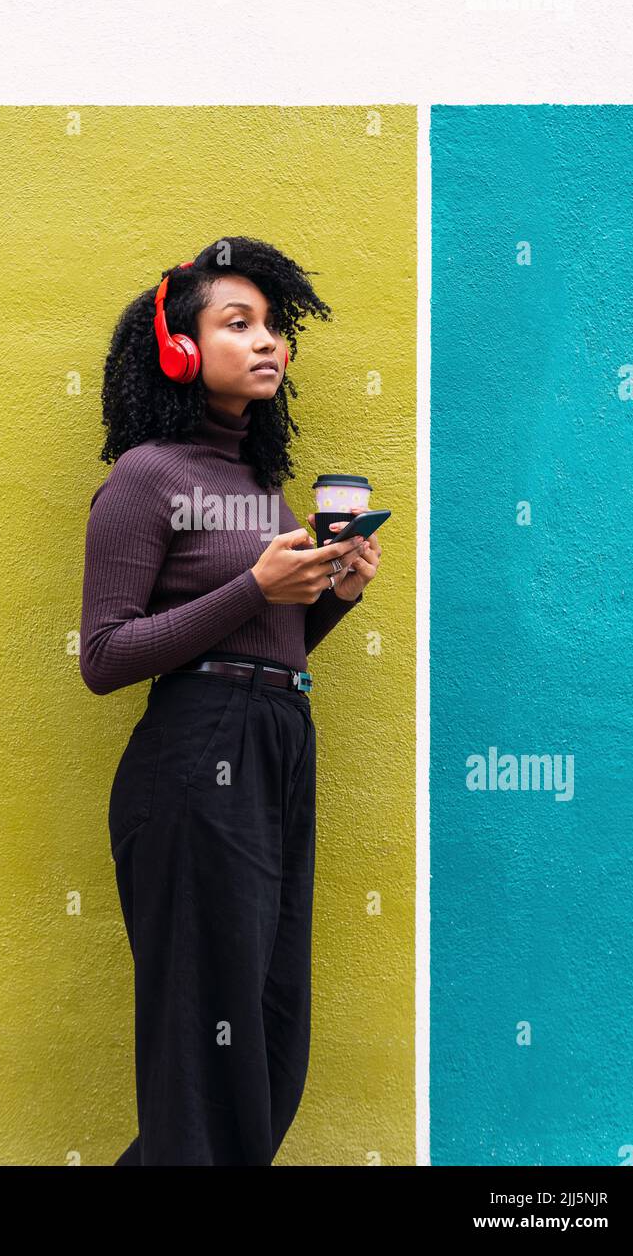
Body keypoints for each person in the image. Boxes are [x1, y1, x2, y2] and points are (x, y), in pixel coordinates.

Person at [79, 236, 382, 1165]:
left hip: (279, 741)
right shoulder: (148, 476)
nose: (270, 344)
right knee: (203, 1046)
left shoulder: (260, 485)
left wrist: (328, 598)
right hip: (196, 757)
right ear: (179, 348)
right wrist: (254, 587)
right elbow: (104, 654)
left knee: (269, 1036)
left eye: (276, 328)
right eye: (238, 324)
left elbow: (265, 643)